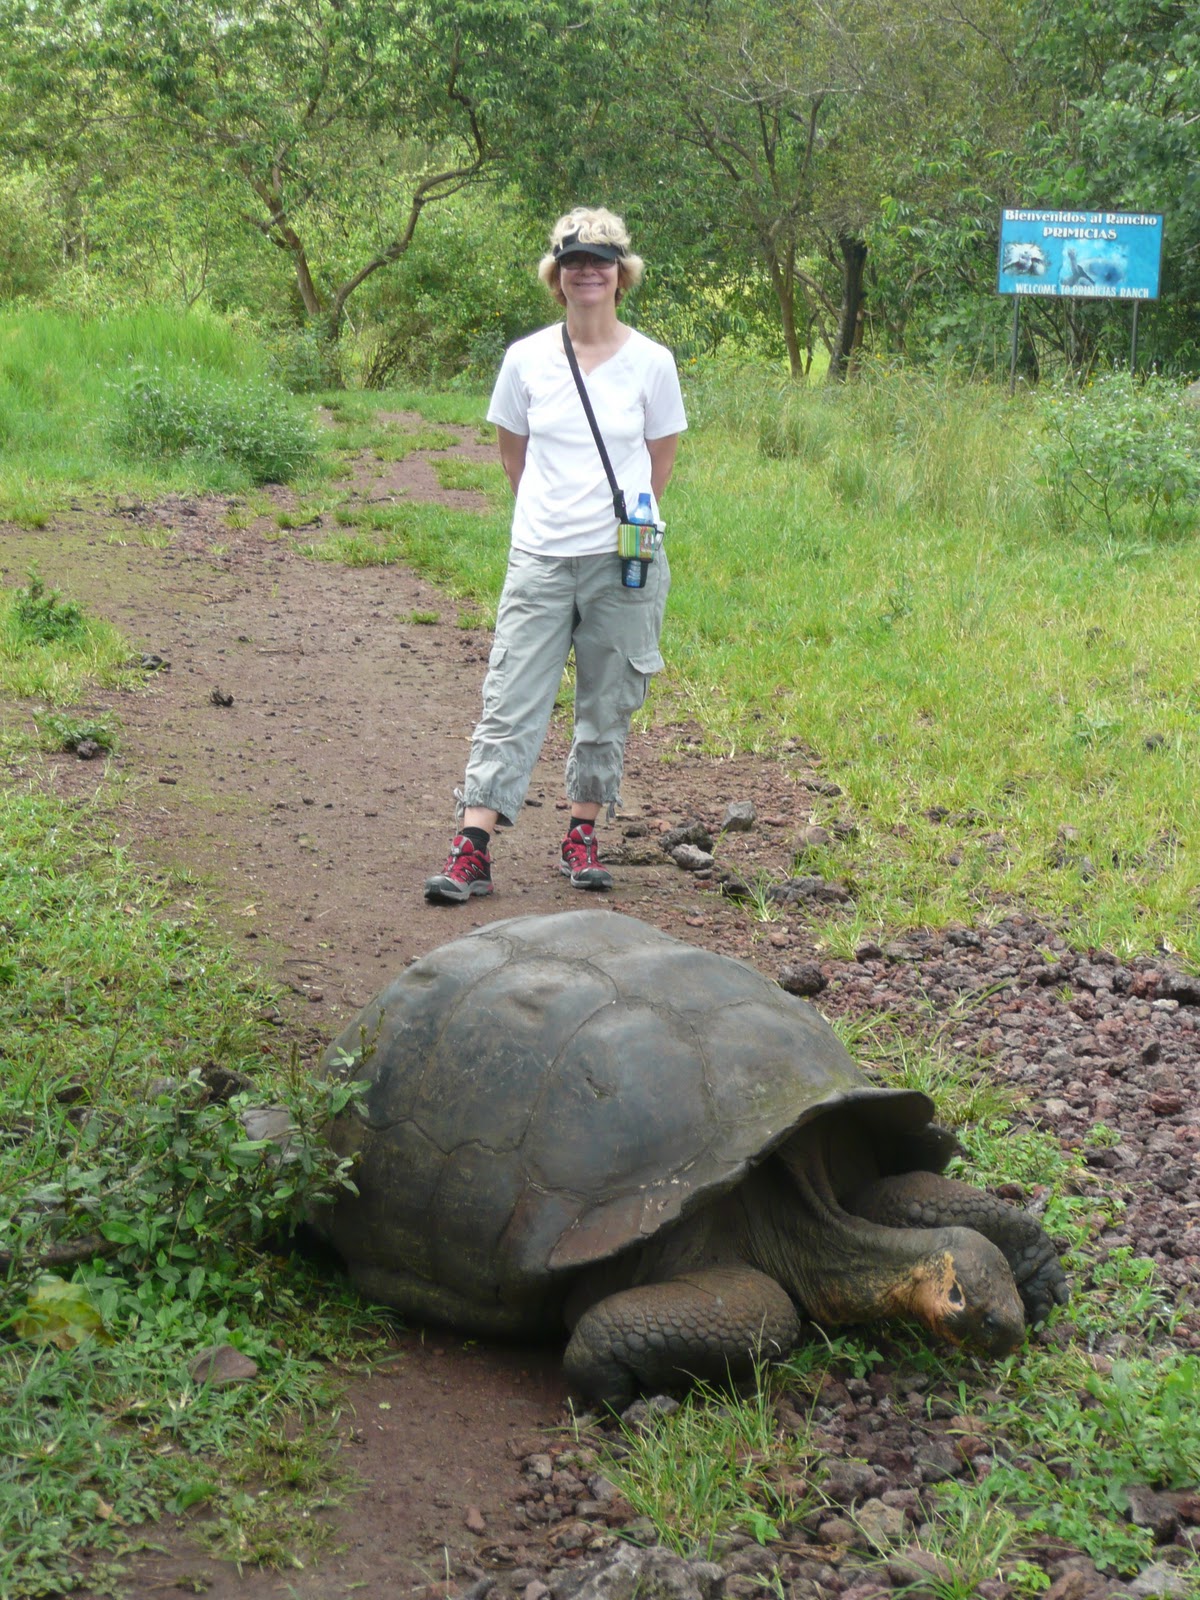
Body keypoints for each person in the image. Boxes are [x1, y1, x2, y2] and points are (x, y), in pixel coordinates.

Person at [424, 206, 687, 904]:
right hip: (540, 558)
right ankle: (471, 846)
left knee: (608, 702)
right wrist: (548, 519)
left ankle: (582, 834)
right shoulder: (526, 359)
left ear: (621, 273)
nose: (588, 271)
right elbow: (513, 454)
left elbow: (660, 462)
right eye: (574, 262)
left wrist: (622, 525)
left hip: (622, 562)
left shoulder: (652, 363)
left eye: (601, 261)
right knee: (510, 700)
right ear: (557, 275)